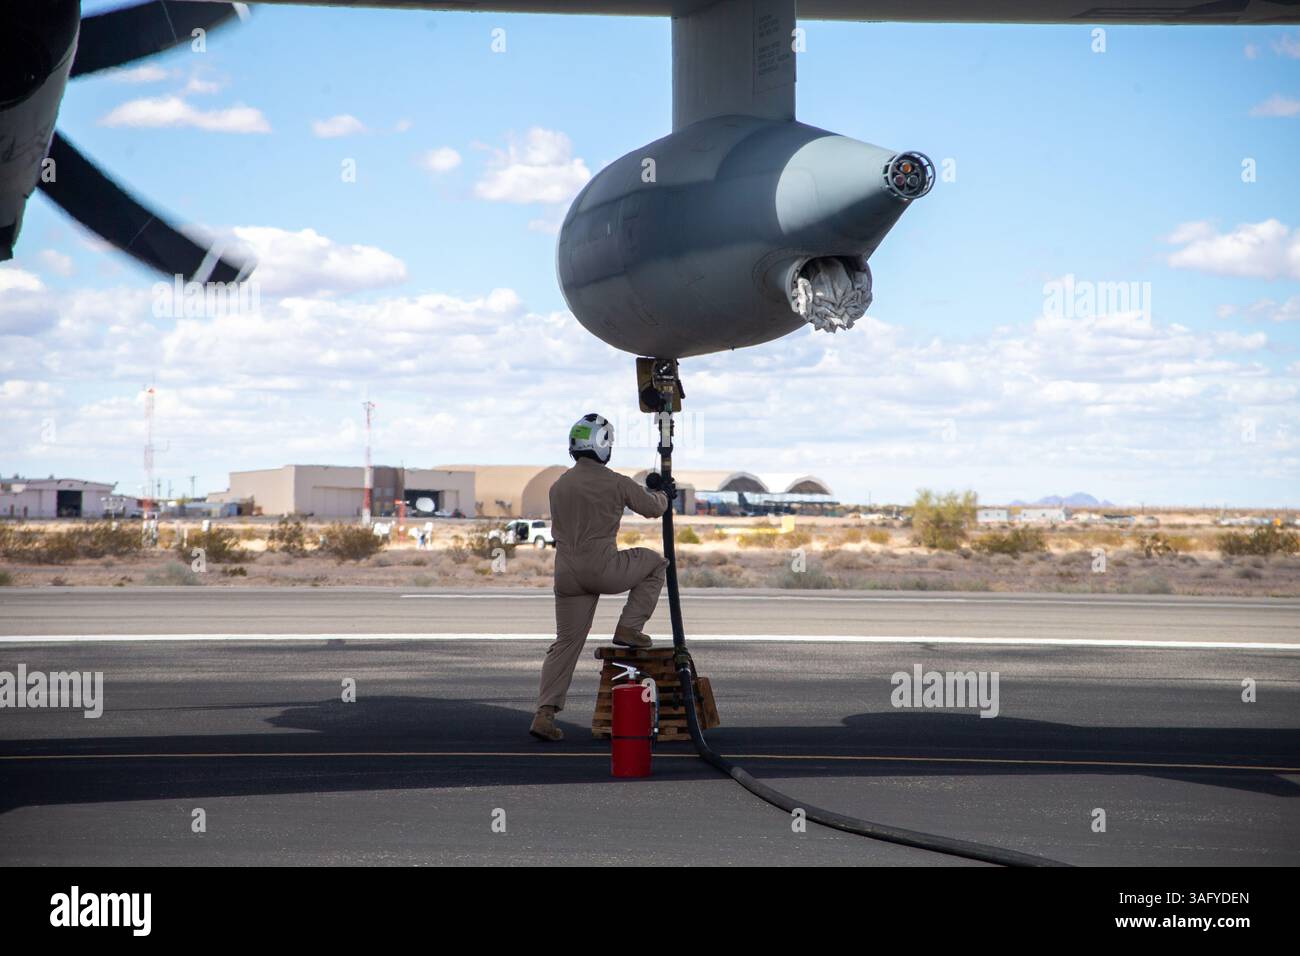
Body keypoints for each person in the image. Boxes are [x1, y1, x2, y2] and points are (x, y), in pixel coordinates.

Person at [530, 413, 671, 742]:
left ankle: (544, 713)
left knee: (565, 644)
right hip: (602, 568)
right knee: (655, 563)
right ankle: (629, 627)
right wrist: (664, 494)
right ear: (603, 445)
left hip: (566, 574)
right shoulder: (616, 481)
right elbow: (652, 508)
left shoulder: (558, 485)